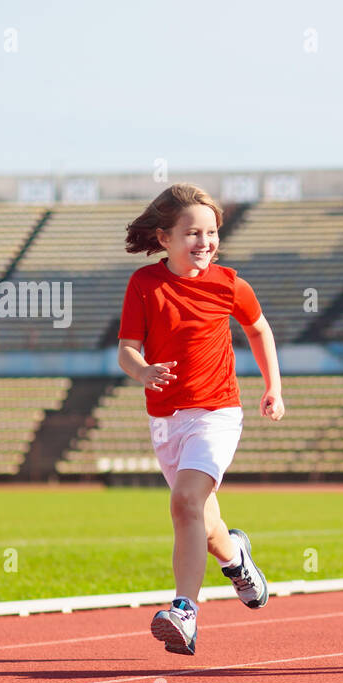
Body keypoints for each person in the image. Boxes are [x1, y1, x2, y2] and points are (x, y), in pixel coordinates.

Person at [119, 183, 284, 655]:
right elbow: (127, 351)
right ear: (165, 237)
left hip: (216, 413)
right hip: (166, 421)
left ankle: (184, 612)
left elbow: (258, 327)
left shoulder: (229, 283)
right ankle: (238, 561)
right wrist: (142, 370)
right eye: (192, 233)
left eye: (211, 232)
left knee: (184, 502)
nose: (205, 242)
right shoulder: (144, 285)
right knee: (205, 524)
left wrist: (273, 385)